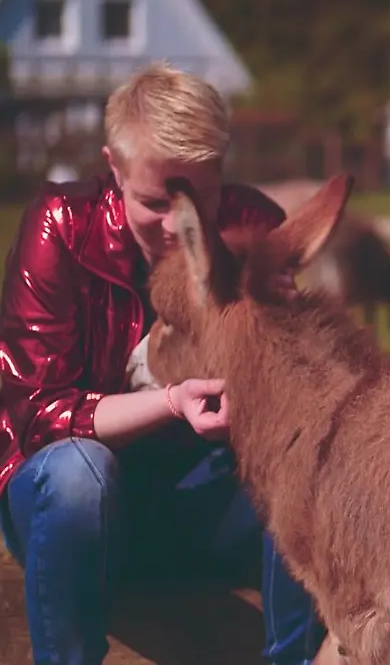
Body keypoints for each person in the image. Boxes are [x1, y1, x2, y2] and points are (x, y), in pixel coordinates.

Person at [0, 63, 324, 665]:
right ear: (113, 167)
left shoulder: (251, 227)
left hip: (204, 494)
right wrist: (170, 403)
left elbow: (301, 392)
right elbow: (36, 413)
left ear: (222, 169)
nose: (179, 225)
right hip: (79, 506)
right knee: (79, 473)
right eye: (153, 202)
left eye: (198, 198)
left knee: (303, 464)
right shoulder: (62, 227)